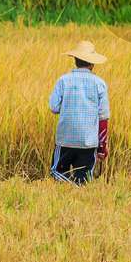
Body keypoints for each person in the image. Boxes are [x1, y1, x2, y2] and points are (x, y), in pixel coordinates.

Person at [48, 41, 110, 185]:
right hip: (88, 142)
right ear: (92, 64)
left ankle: (70, 187)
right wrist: (102, 147)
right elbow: (103, 117)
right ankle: (77, 189)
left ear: (75, 60)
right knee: (83, 180)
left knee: (56, 172)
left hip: (65, 139)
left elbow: (54, 107)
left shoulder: (63, 81)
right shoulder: (99, 83)